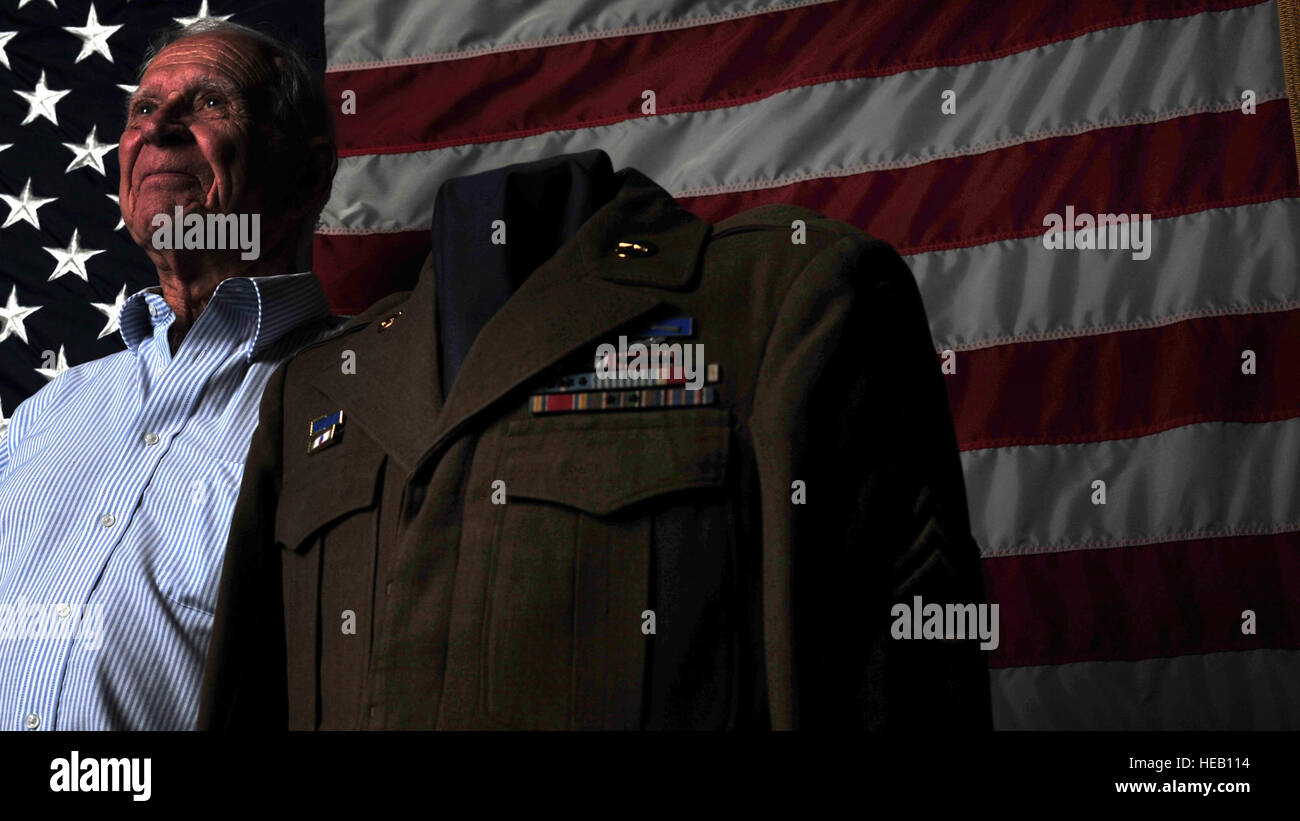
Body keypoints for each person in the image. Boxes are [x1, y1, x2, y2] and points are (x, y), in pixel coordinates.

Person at [0, 19, 340, 730]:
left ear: (306, 176)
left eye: (211, 103)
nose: (159, 131)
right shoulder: (47, 413)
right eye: (144, 110)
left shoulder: (360, 394)